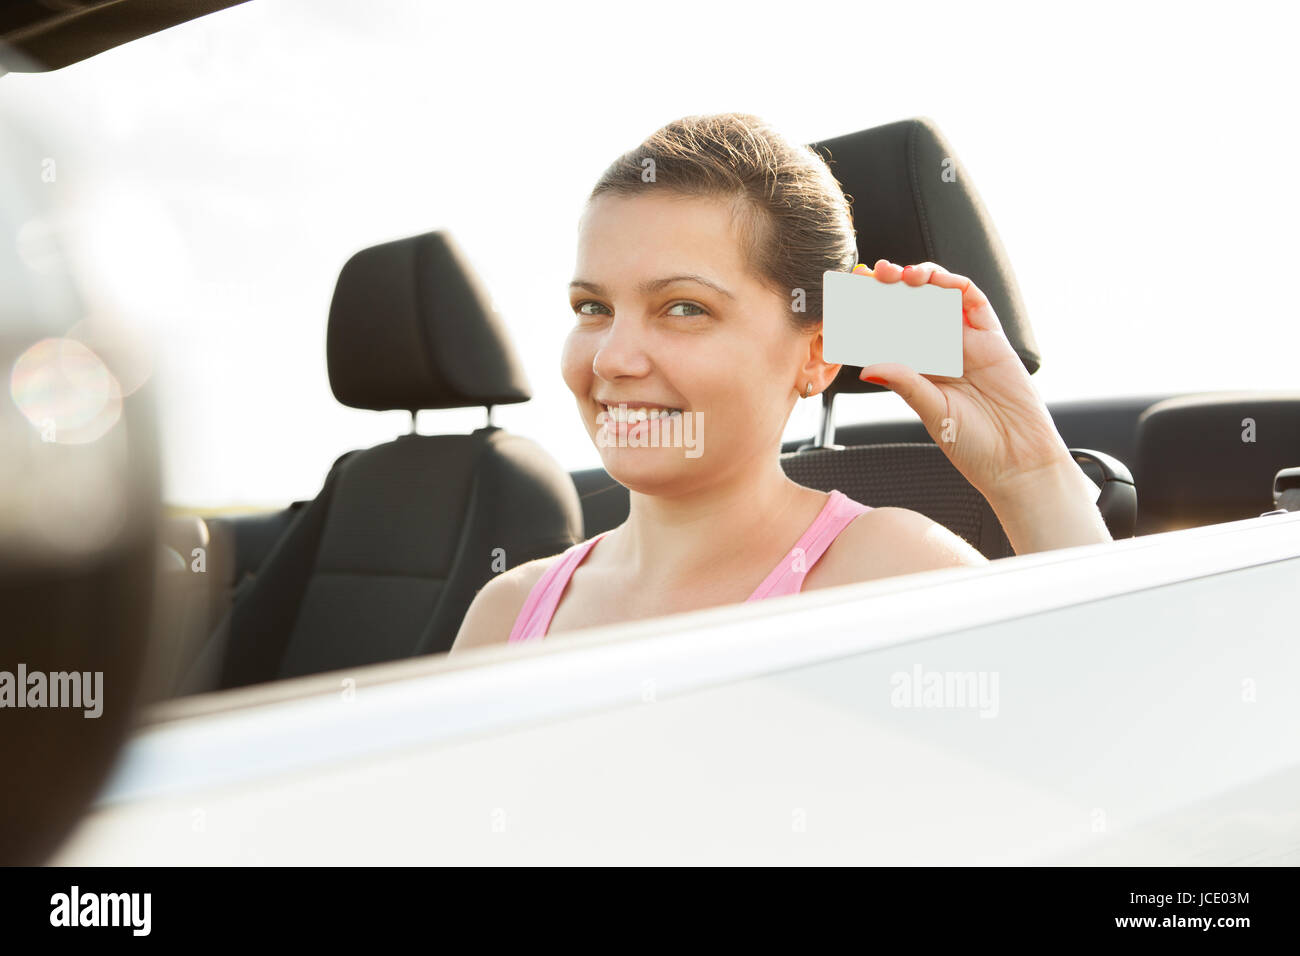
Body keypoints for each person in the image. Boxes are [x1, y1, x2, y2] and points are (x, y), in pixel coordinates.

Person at [451, 113, 1109, 653]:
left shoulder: (894, 574)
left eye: (685, 308)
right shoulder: (506, 612)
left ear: (817, 355)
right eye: (593, 308)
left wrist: (1032, 472)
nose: (613, 359)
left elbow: (1111, 741)